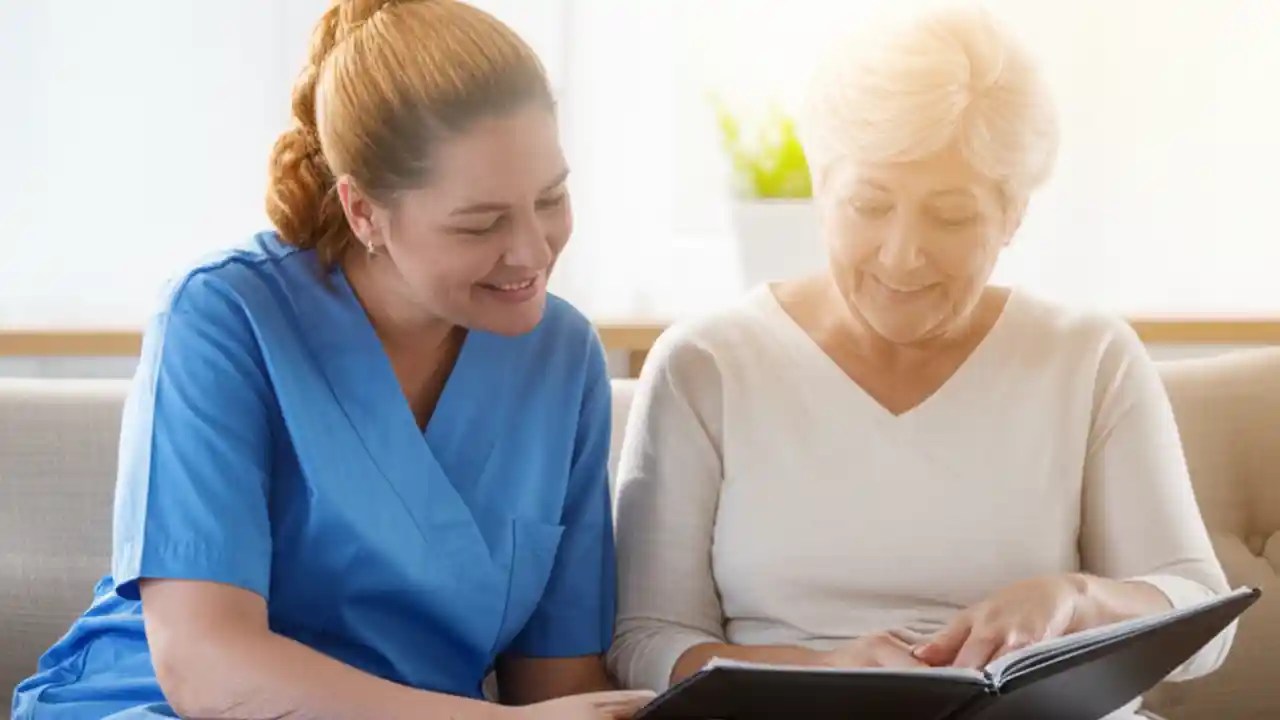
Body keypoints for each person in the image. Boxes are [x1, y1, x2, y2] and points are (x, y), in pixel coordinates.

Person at [12, 1, 653, 718]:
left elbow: (558, 692)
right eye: (481, 222)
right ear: (363, 212)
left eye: (552, 198)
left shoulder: (562, 358)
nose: (533, 251)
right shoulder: (224, 316)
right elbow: (206, 670)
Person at [607, 6, 1234, 719]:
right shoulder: (707, 363)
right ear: (821, 186)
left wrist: (1078, 598)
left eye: (951, 217)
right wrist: (824, 671)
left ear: (1013, 213)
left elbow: (1206, 621)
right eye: (869, 205)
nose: (902, 254)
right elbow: (647, 642)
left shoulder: (1090, 358)